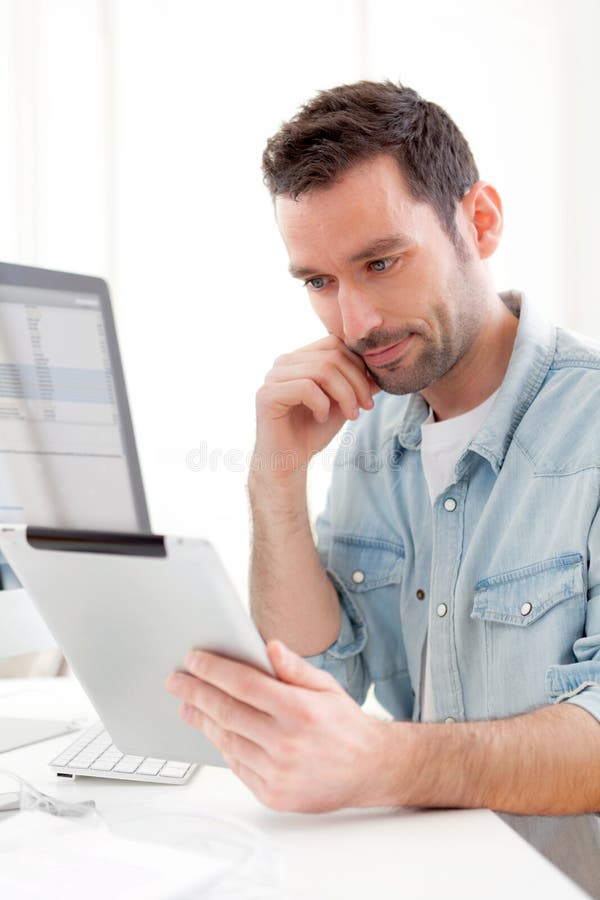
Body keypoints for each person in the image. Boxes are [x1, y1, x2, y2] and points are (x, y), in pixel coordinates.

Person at [167, 81, 600, 814]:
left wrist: (388, 764)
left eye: (381, 262)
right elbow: (319, 680)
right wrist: (277, 478)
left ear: (481, 223)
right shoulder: (368, 428)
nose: (357, 321)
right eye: (319, 281)